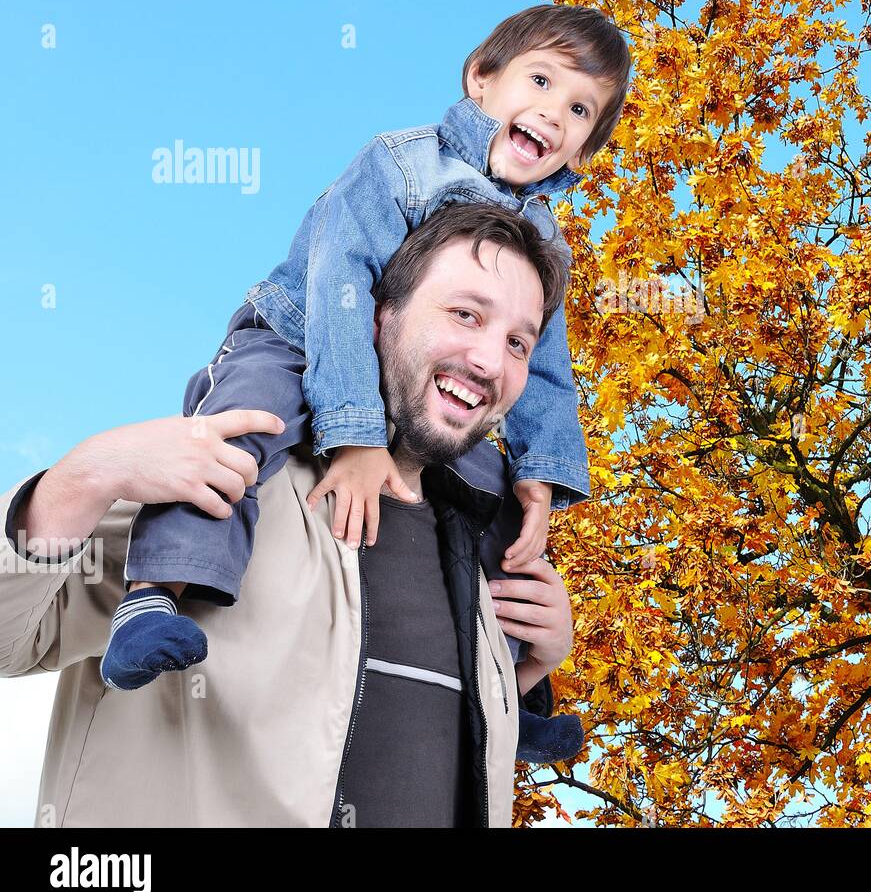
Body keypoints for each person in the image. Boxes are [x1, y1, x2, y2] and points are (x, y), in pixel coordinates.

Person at [99, 4, 631, 764]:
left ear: (585, 146)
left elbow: (544, 366)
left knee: (500, 499)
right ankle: (157, 595)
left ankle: (518, 686)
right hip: (299, 332)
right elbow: (340, 282)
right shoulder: (401, 163)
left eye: (580, 108)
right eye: (540, 81)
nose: (554, 110)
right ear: (480, 80)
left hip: (411, 397)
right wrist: (355, 437)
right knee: (240, 431)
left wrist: (545, 475)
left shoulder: (545, 240)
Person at [0, 204, 576, 826]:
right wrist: (86, 475)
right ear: (380, 316)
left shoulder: (480, 544)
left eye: (518, 342)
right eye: (466, 314)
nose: (490, 360)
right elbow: (13, 642)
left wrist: (527, 670)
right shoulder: (227, 489)